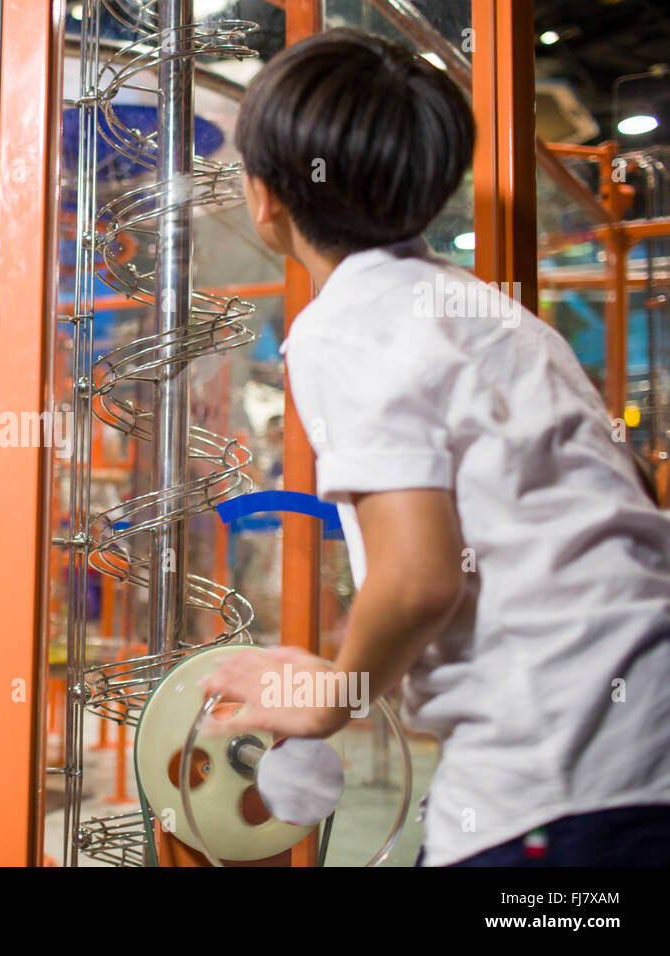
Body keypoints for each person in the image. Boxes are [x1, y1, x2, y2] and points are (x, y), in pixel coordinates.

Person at [198, 28, 670, 866]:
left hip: (560, 766)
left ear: (265, 197)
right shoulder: (498, 315)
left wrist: (328, 698)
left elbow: (418, 579)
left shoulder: (342, 325)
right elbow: (622, 478)